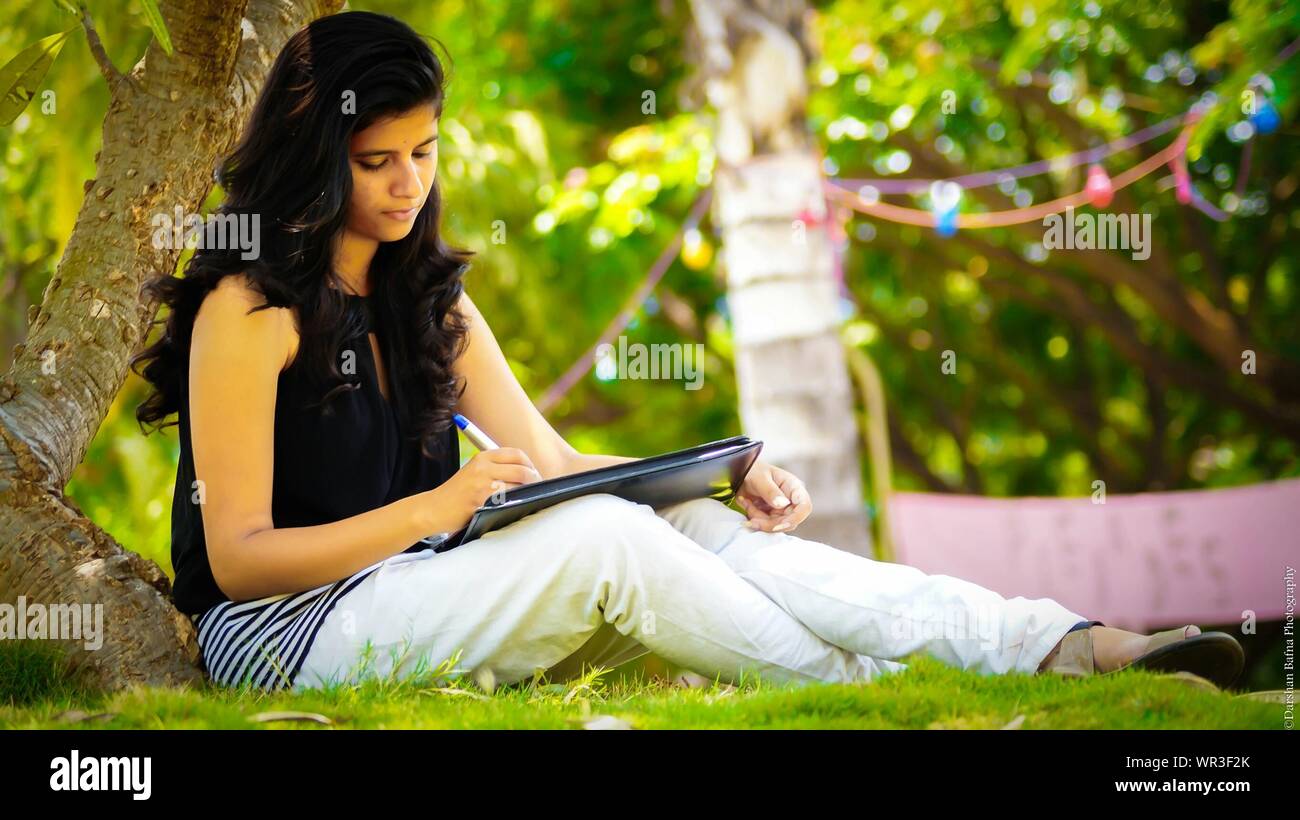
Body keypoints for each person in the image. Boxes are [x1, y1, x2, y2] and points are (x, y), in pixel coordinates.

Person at [130, 10, 1244, 695]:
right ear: (321, 154)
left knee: (687, 526)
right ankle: (864, 691)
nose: (409, 183)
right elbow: (237, 563)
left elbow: (557, 463)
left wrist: (711, 470)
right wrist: (432, 511)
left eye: (424, 152)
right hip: (289, 632)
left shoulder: (431, 304)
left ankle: (1066, 645)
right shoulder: (251, 307)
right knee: (608, 545)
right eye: (378, 160)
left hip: (427, 587)